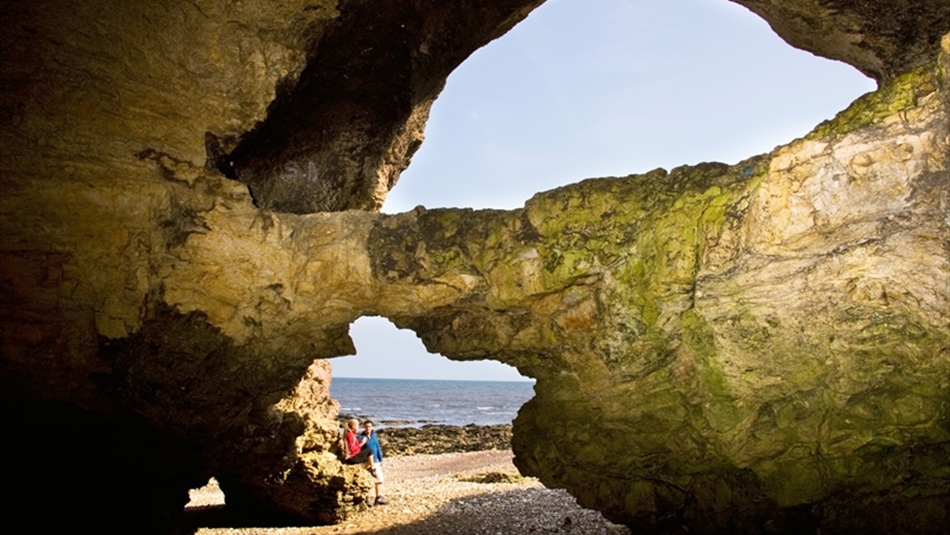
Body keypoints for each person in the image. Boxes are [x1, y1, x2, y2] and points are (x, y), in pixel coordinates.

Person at [358, 420, 388, 505]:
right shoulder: (361, 437)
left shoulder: (374, 436)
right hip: (366, 462)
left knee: (380, 479)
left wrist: (380, 458)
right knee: (366, 481)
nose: (368, 428)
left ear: (372, 427)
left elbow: (377, 447)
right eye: (366, 426)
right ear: (364, 427)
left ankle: (378, 497)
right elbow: (358, 449)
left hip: (375, 461)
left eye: (370, 426)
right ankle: (366, 498)